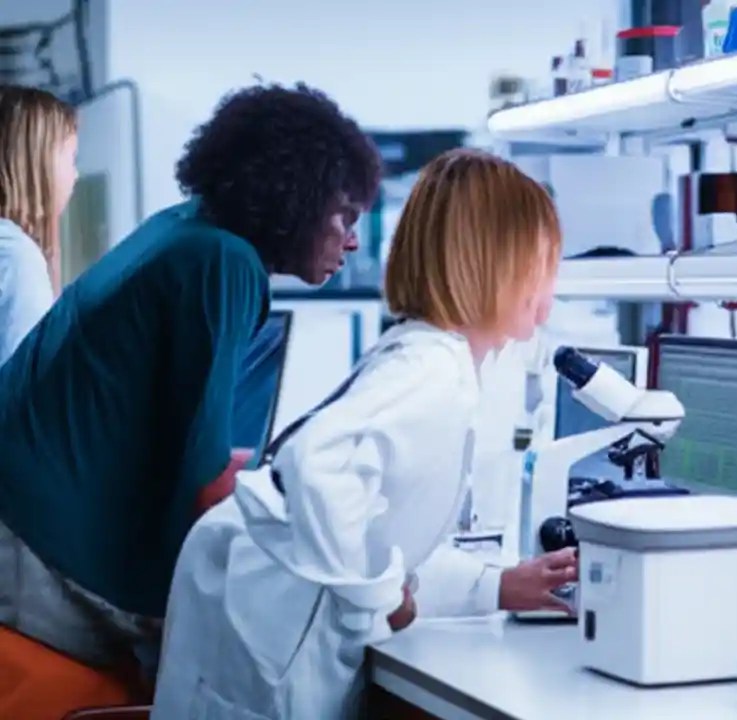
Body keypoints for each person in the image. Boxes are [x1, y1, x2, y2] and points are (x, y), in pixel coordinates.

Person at [153, 149, 579, 718]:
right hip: (273, 622)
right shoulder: (433, 370)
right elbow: (317, 465)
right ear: (504, 264)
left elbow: (382, 539)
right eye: (546, 262)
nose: (550, 286)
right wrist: (380, 600)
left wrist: (495, 587)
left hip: (258, 596)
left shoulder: (427, 352)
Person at [0, 83, 381, 684]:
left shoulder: (182, 230)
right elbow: (203, 481)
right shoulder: (224, 263)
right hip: (40, 545)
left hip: (24, 518)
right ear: (296, 198)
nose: (353, 240)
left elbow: (166, 428)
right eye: (345, 216)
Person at [0, 84, 78, 363]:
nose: (75, 175)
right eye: (71, 159)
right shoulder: (17, 259)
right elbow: (23, 391)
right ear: (38, 163)